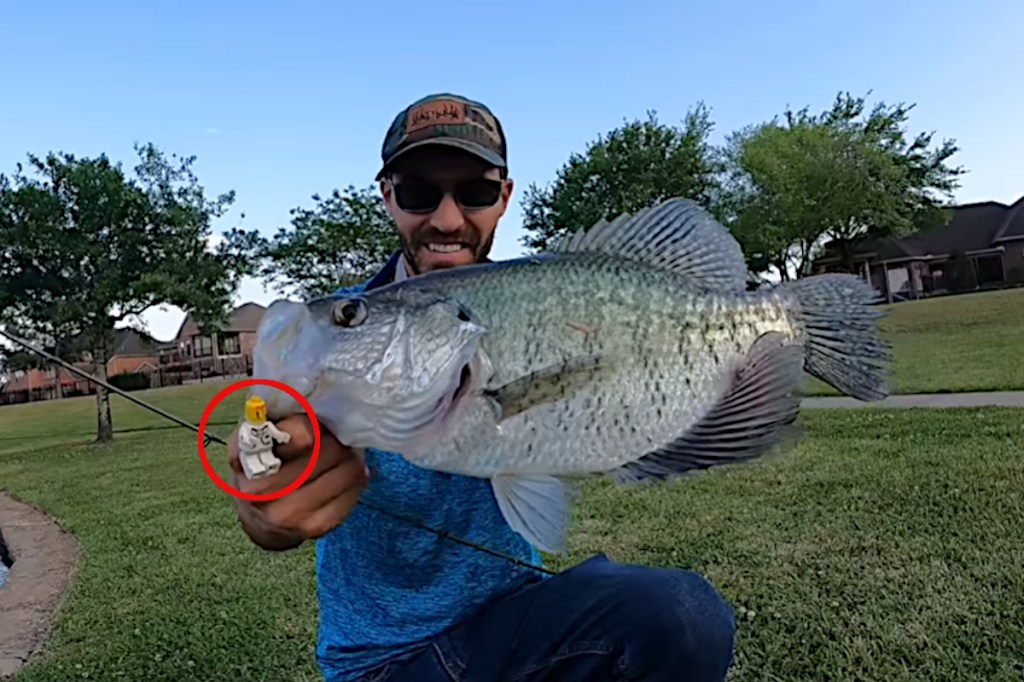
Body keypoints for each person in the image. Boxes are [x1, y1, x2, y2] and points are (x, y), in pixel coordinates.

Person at [227, 93, 737, 682]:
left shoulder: (546, 299)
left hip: (517, 620)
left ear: (504, 198)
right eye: (419, 191)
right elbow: (266, 482)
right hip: (387, 662)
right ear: (388, 196)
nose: (447, 219)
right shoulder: (339, 355)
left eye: (474, 191)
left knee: (683, 616)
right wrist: (266, 508)